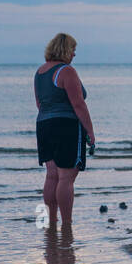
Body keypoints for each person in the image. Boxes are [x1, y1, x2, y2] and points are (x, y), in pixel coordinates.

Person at [34, 33, 95, 227]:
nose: (74, 55)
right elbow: (78, 105)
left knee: (52, 175)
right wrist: (90, 132)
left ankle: (51, 221)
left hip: (43, 124)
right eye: (73, 50)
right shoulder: (67, 71)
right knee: (67, 177)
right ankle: (67, 223)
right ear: (65, 50)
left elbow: (39, 103)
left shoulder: (40, 72)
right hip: (66, 126)